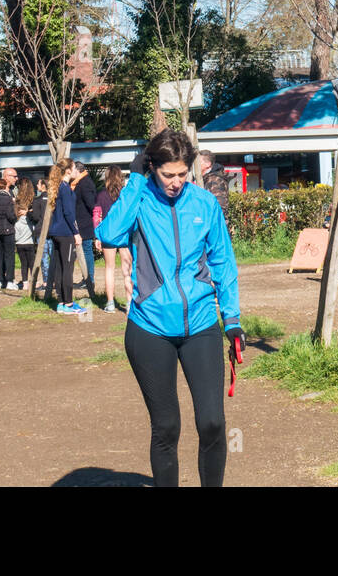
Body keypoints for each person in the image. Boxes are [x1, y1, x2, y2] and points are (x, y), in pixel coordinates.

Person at [97, 129, 243, 487]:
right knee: (166, 426)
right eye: (167, 175)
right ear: (152, 169)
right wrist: (134, 183)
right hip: (149, 327)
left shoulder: (204, 204)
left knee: (211, 421)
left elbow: (223, 261)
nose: (176, 182)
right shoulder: (141, 197)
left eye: (182, 173)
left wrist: (233, 318)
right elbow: (110, 235)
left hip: (202, 323)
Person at [47, 159, 84, 314]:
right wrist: (76, 233)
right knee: (67, 269)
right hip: (65, 233)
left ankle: (61, 302)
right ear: (68, 170)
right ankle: (68, 304)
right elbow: (69, 213)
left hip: (55, 232)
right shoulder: (66, 189)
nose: (76, 170)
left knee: (59, 268)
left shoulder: (58, 187)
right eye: (75, 167)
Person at [94, 166, 131, 314]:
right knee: (127, 269)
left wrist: (97, 236)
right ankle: (129, 303)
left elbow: (97, 216)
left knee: (109, 268)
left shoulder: (101, 195)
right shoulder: (126, 194)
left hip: (108, 235)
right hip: (124, 234)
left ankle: (110, 303)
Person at [72, 161, 99, 300]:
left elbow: (91, 204)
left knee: (86, 251)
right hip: (82, 222)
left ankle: (89, 279)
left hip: (85, 223)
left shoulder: (85, 183)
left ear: (77, 170)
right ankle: (86, 278)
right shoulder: (80, 182)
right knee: (84, 251)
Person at [13, 179, 37, 288]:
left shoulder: (16, 202)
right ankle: (34, 282)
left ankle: (25, 283)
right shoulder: (34, 202)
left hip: (19, 240)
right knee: (32, 262)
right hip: (30, 240)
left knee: (23, 263)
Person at [28, 177, 50, 287]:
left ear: (43, 186)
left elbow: (36, 217)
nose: (37, 186)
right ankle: (54, 280)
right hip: (53, 230)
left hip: (41, 230)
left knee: (43, 257)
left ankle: (46, 281)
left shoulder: (37, 200)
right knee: (54, 256)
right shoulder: (54, 198)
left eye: (38, 184)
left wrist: (29, 213)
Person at [197, 150, 230, 214]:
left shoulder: (214, 180)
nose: (196, 166)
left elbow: (220, 206)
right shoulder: (207, 178)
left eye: (199, 162)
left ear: (208, 164)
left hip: (214, 221)